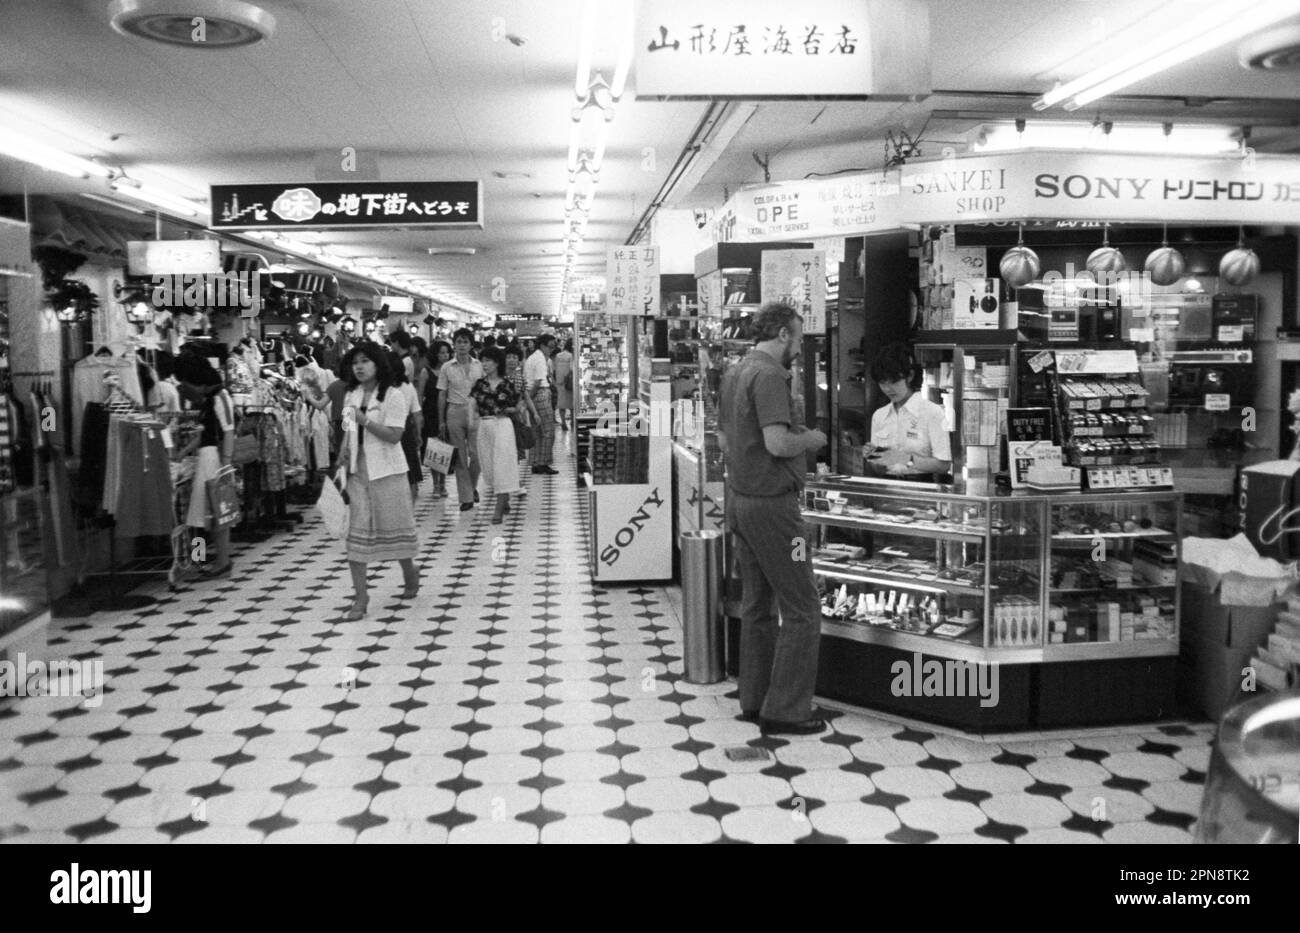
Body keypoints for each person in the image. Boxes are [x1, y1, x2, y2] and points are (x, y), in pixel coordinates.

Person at [718, 302, 828, 737]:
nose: (799, 346)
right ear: (783, 334)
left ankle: (754, 697)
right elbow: (779, 442)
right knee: (803, 604)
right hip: (777, 510)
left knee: (757, 605)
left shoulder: (734, 372)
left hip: (741, 502)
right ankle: (786, 709)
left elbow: (725, 437)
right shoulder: (768, 376)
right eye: (799, 338)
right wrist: (813, 438)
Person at [338, 343, 419, 620]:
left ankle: (409, 570)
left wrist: (365, 421)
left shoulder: (394, 395)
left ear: (378, 364)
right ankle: (360, 598)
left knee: (394, 528)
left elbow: (395, 435)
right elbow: (347, 431)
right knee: (356, 535)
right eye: (355, 362)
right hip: (357, 473)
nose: (359, 367)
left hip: (388, 472)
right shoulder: (352, 394)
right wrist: (340, 458)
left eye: (365, 361)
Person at [173, 354, 236, 578]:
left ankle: (221, 560)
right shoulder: (207, 400)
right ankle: (201, 560)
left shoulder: (221, 396)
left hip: (215, 460)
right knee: (199, 515)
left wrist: (226, 465)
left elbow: (228, 430)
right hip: (206, 458)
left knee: (216, 513)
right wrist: (184, 451)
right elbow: (205, 434)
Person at [865, 342, 952, 480]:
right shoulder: (879, 415)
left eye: (894, 381)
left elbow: (943, 466)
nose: (888, 389)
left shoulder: (932, 412)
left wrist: (906, 459)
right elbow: (878, 470)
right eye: (882, 383)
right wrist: (873, 457)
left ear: (910, 376)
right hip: (887, 486)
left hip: (921, 488)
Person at [470, 347, 522, 524]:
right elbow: (473, 405)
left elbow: (518, 405)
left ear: (497, 363)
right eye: (482, 360)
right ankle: (504, 496)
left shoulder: (507, 385)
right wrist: (471, 420)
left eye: (488, 361)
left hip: (502, 425)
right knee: (490, 468)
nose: (484, 364)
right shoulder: (479, 384)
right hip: (484, 427)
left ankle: (498, 509)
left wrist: (508, 409)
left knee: (502, 466)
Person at [438, 328, 484, 511]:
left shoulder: (479, 365)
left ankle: (471, 487)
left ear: (471, 345)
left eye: (465, 342)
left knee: (477, 455)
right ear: (454, 345)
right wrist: (441, 420)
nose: (462, 345)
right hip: (454, 411)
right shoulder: (447, 367)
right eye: (459, 342)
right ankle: (466, 497)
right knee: (460, 456)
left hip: (475, 412)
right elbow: (442, 394)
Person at [389, 350, 423, 502]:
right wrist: (419, 434)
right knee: (410, 461)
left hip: (389, 429)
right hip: (406, 428)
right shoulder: (408, 387)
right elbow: (417, 414)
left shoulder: (383, 388)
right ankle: (412, 491)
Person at [525, 334, 558, 475]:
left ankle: (535, 463)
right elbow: (538, 383)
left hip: (534, 396)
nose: (551, 350)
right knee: (548, 431)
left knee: (537, 432)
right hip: (540, 395)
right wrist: (528, 400)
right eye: (550, 347)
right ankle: (544, 463)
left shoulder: (534, 357)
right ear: (542, 345)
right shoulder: (539, 359)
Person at [424, 340, 452, 497]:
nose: (445, 355)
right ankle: (436, 484)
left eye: (447, 352)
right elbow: (420, 394)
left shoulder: (450, 370)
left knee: (446, 449)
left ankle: (443, 483)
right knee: (434, 449)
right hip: (431, 412)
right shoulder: (426, 372)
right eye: (441, 352)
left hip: (449, 411)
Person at [553, 339, 574, 431]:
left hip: (560, 383)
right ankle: (573, 421)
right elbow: (571, 368)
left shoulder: (558, 356)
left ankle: (563, 422)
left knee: (561, 404)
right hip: (569, 383)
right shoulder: (571, 356)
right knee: (572, 404)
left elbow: (554, 369)